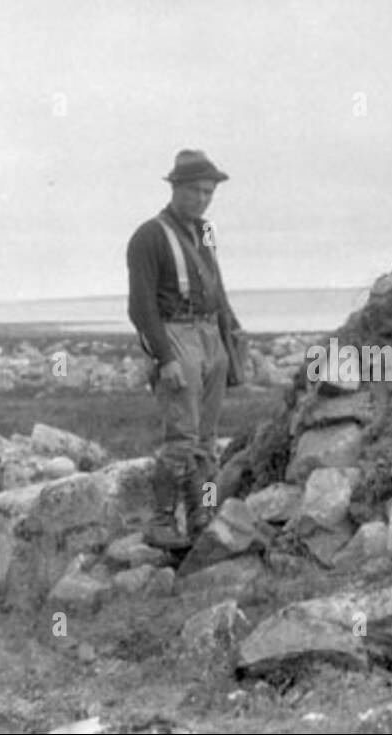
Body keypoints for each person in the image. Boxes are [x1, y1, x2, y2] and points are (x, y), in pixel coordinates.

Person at [127, 149, 242, 550]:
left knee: (207, 442)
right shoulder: (148, 236)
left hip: (210, 333)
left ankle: (201, 520)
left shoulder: (206, 231)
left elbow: (217, 285)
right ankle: (159, 522)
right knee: (182, 437)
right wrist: (165, 357)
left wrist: (229, 338)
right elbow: (140, 307)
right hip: (176, 335)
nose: (203, 198)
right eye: (195, 190)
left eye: (209, 192)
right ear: (176, 188)